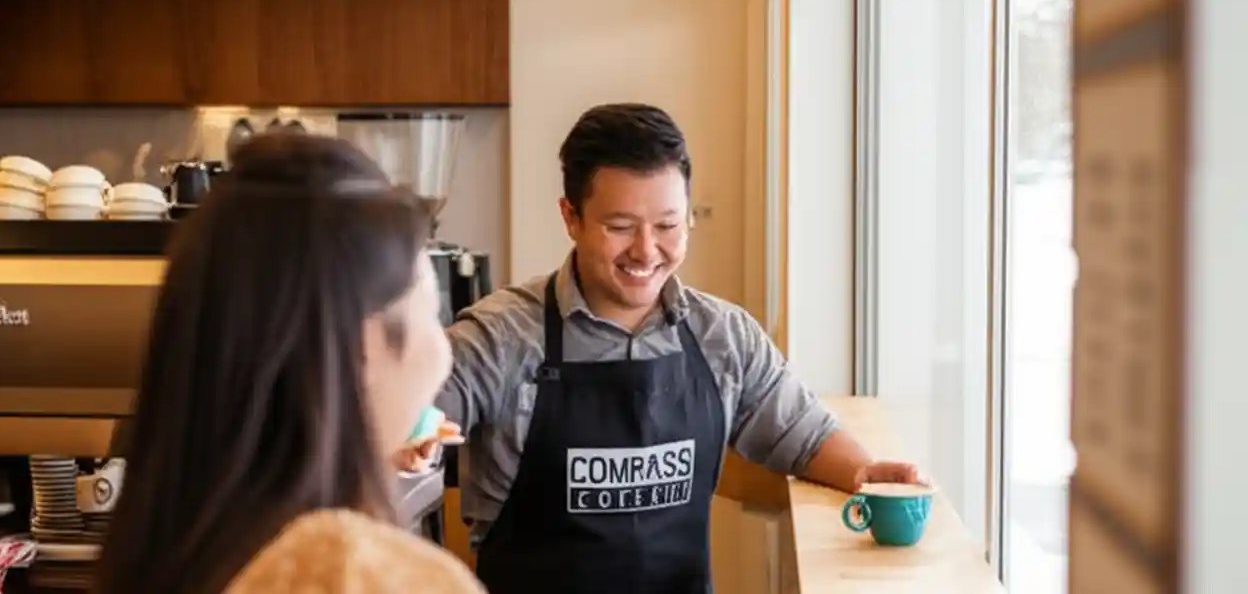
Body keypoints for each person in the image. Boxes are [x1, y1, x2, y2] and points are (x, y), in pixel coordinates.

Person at [432, 103, 924, 593]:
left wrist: (865, 473)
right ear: (571, 217)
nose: (646, 250)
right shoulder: (500, 338)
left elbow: (804, 434)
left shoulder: (724, 337)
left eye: (667, 225)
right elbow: (403, 418)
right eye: (620, 227)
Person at [96, 134, 483, 594]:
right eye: (433, 314)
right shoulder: (361, 575)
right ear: (364, 349)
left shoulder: (160, 551)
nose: (442, 347)